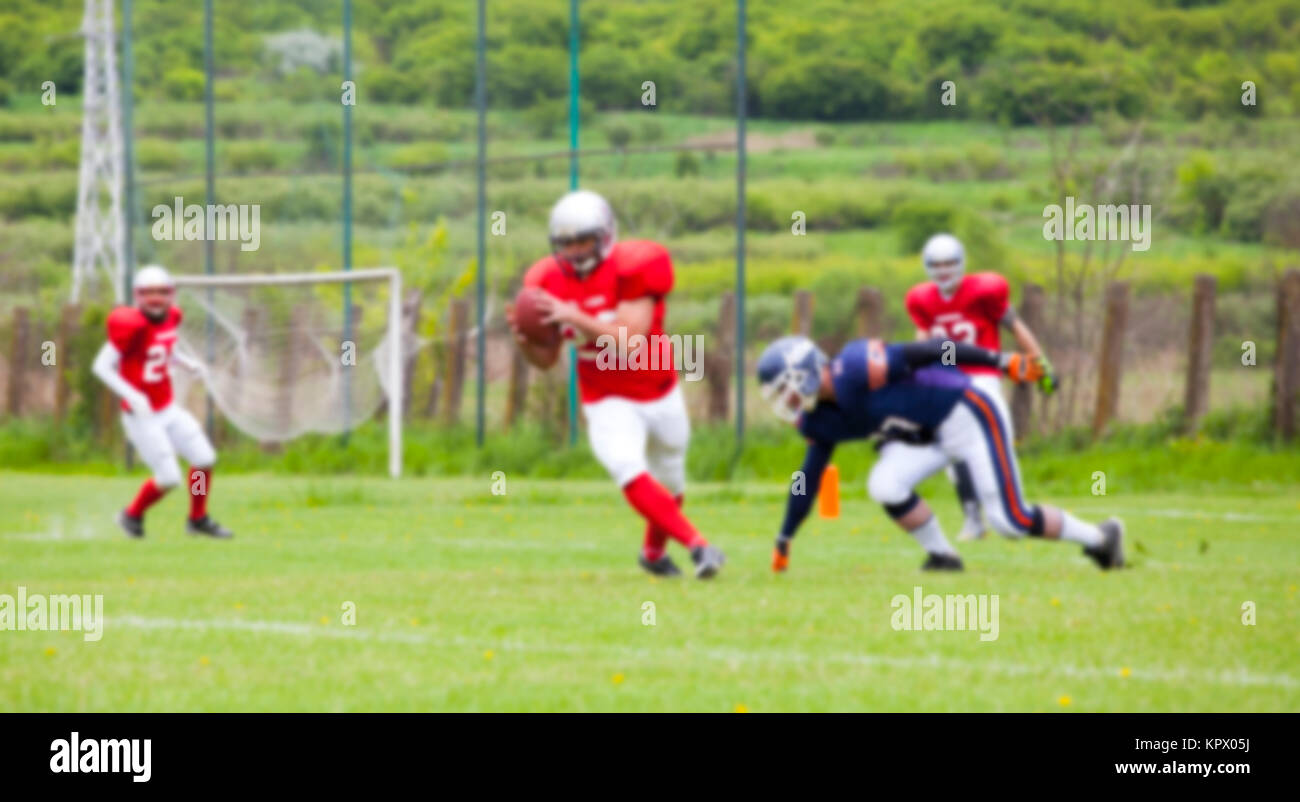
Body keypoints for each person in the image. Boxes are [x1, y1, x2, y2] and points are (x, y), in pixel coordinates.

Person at [757, 334, 1122, 572]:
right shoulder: (819, 421)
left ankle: (1101, 539)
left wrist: (999, 361)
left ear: (802, 372)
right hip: (930, 435)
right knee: (885, 484)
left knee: (1009, 522)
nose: (784, 400)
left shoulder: (855, 368)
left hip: (965, 409)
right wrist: (785, 537)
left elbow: (933, 349)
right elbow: (808, 479)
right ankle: (943, 557)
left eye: (783, 388)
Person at [507, 190, 724, 578]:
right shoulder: (547, 281)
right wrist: (527, 345)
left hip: (658, 387)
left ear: (606, 236)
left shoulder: (637, 266)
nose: (574, 251)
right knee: (627, 466)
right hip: (606, 397)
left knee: (671, 478)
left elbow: (629, 340)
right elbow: (547, 361)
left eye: (583, 240)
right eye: (566, 243)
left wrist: (576, 316)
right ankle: (700, 546)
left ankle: (653, 554)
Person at [904, 233, 1055, 541]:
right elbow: (922, 338)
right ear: (926, 266)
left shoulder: (985, 290)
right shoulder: (921, 298)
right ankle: (973, 518)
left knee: (992, 447)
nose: (944, 270)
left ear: (961, 263)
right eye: (936, 264)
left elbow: (1016, 326)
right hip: (946, 379)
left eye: (950, 263)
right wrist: (914, 374)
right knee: (953, 450)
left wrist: (1040, 363)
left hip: (982, 376)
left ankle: (1013, 510)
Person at [91, 264, 233, 540]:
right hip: (141, 415)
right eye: (148, 292)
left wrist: (186, 362)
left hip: (167, 408)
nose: (155, 298)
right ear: (137, 296)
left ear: (171, 294)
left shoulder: (172, 318)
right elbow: (101, 366)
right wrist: (132, 394)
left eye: (161, 292)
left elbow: (164, 347)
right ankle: (130, 515)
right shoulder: (132, 325)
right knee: (168, 478)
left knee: (204, 459)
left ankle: (198, 518)